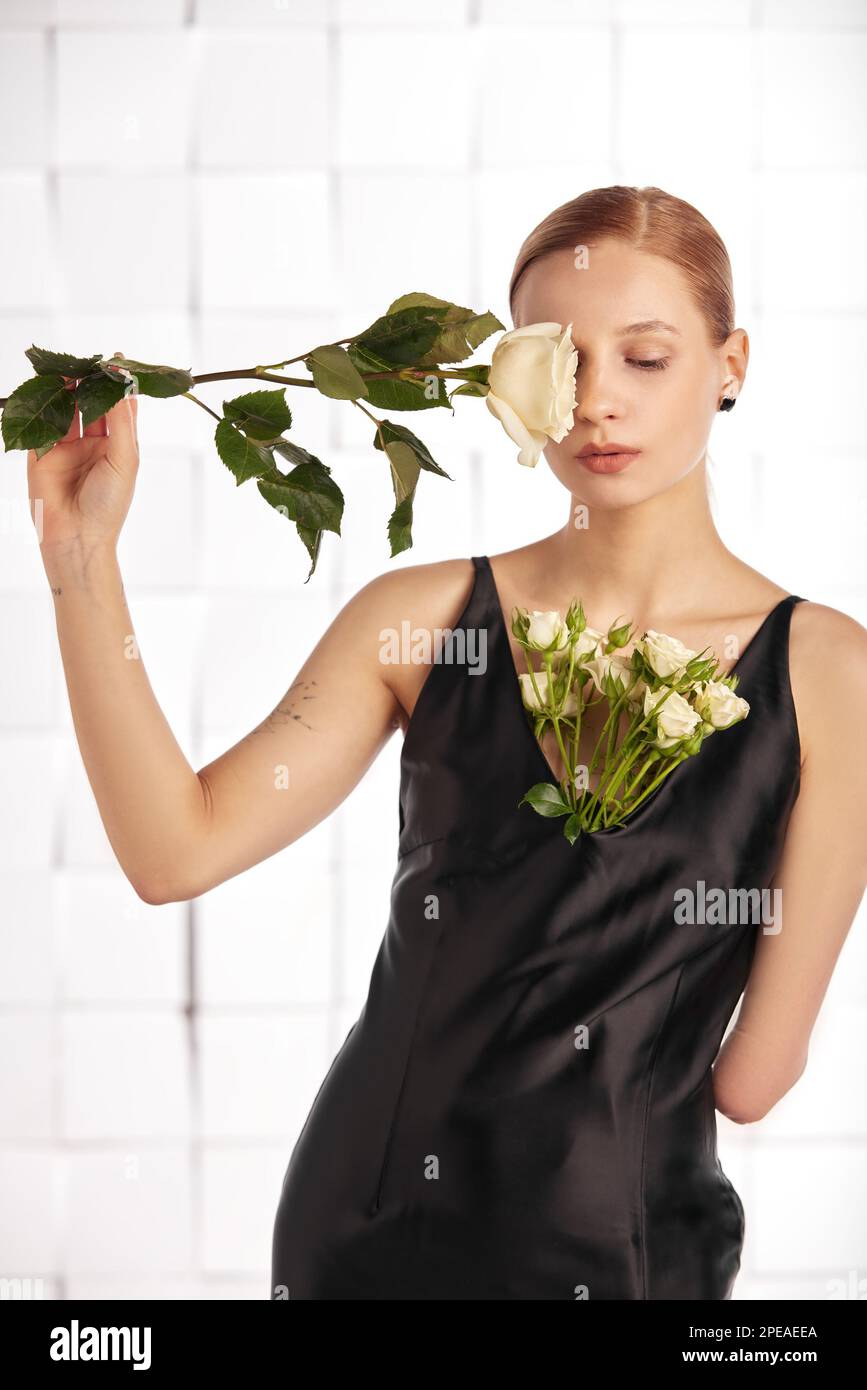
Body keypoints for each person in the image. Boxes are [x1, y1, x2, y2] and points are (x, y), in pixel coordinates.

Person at [28, 185, 867, 1300]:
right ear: (511, 385)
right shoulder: (829, 673)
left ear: (733, 363)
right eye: (562, 363)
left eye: (647, 359)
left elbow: (757, 1084)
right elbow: (171, 854)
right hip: (595, 1236)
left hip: (412, 1224)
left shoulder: (427, 622)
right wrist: (81, 553)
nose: (598, 403)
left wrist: (75, 562)